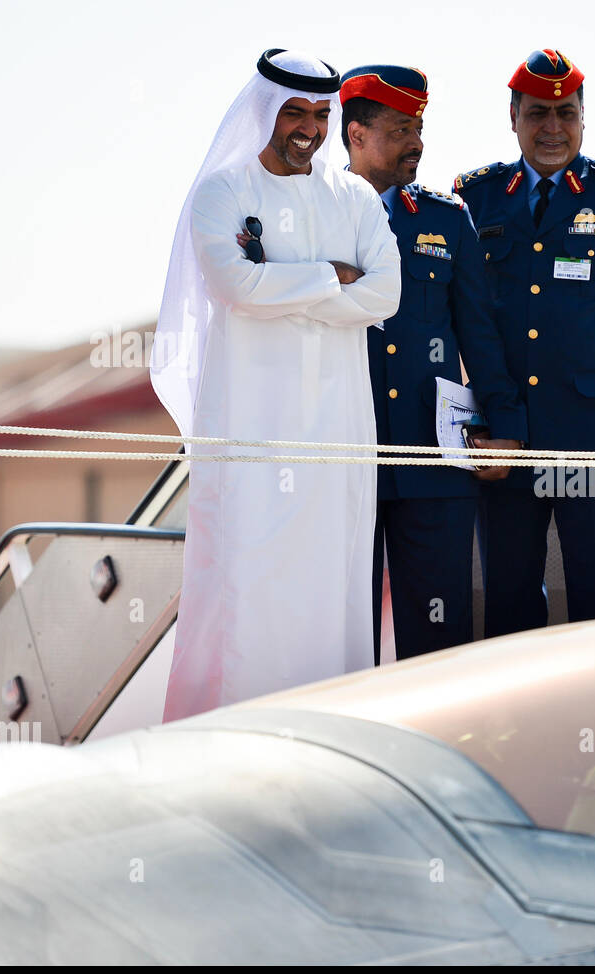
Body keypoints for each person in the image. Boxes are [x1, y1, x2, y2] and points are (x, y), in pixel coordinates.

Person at [150, 49, 401, 720]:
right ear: (264, 111)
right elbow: (236, 286)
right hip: (251, 431)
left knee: (329, 581)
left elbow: (387, 293)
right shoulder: (222, 193)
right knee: (249, 583)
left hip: (337, 429)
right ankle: (233, 733)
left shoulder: (351, 195)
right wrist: (330, 275)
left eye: (321, 115)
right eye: (294, 112)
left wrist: (286, 285)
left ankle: (326, 732)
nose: (309, 129)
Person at [455, 49, 595, 637]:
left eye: (566, 114)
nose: (552, 128)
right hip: (504, 431)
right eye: (538, 113)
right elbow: (463, 308)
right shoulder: (477, 196)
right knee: (510, 599)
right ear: (513, 117)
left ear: (584, 118)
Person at [338, 65, 527, 660]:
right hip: (344, 456)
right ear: (356, 134)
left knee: (438, 639)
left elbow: (480, 332)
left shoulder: (446, 219)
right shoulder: (318, 215)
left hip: (433, 457)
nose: (416, 142)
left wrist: (506, 429)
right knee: (345, 636)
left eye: (418, 127)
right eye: (399, 129)